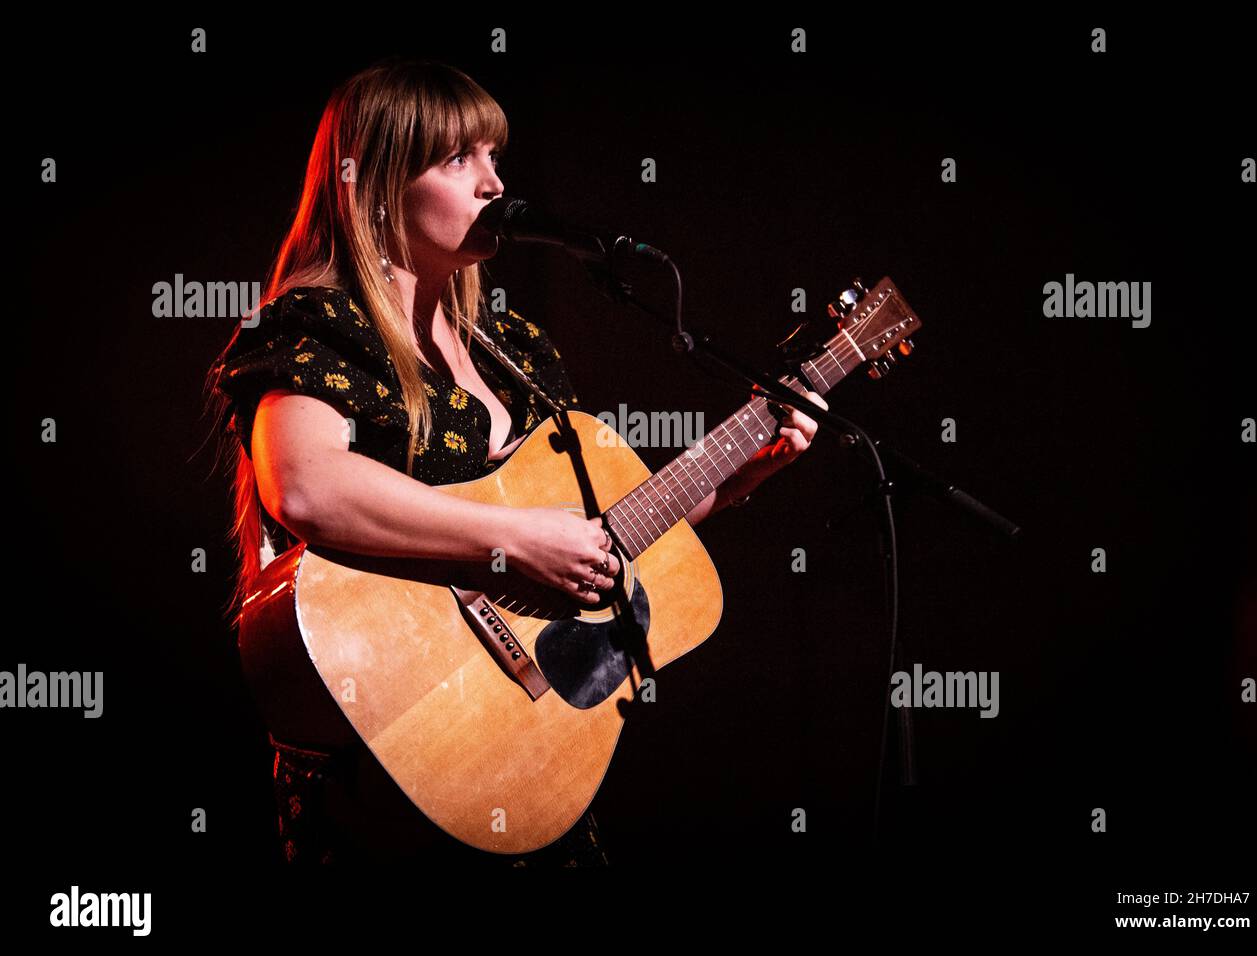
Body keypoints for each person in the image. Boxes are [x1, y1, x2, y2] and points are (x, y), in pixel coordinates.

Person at [203, 57, 828, 865]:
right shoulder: (315, 325)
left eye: (495, 156)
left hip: (518, 762)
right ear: (376, 181)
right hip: (394, 784)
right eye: (458, 158)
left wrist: (745, 469)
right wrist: (517, 541)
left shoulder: (514, 351)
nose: (495, 184)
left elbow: (600, 533)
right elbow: (308, 485)